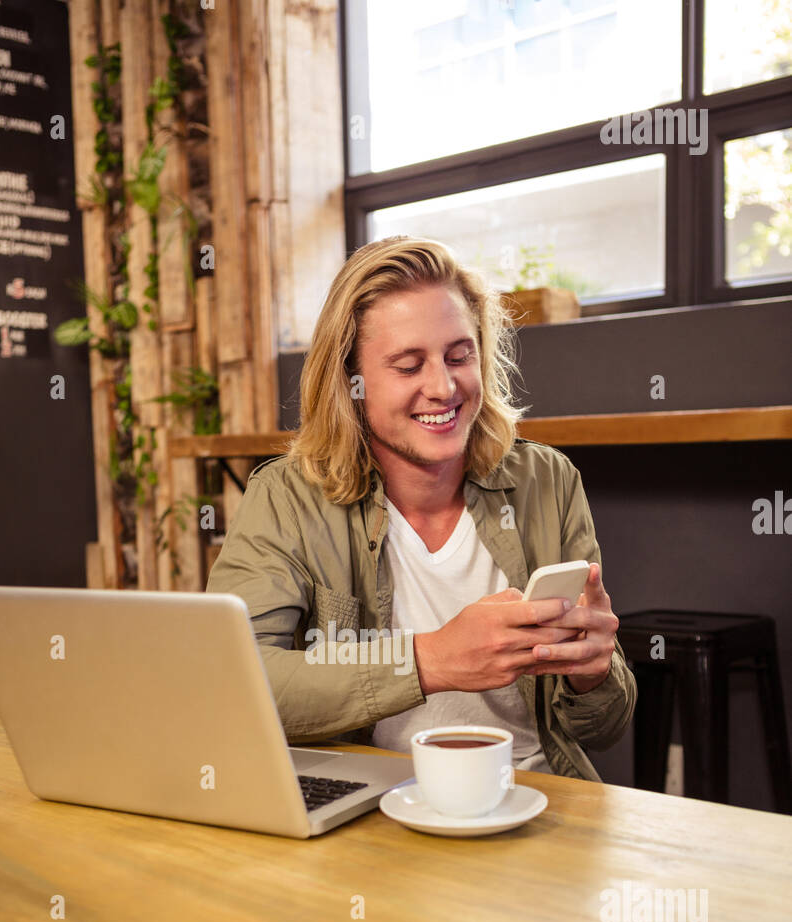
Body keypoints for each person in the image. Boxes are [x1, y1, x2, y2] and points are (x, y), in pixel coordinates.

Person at [206, 236, 636, 780]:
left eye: (460, 356)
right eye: (408, 367)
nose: (444, 386)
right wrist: (428, 661)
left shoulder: (547, 480)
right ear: (351, 382)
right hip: (369, 810)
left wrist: (593, 673)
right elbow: (230, 683)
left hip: (534, 796)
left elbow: (605, 728)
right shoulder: (287, 499)